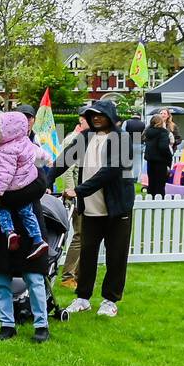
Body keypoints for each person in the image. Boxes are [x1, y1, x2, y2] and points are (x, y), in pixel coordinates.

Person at [50, 99, 135, 318]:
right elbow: (63, 161)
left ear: (110, 116)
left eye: (100, 114)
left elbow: (111, 171)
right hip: (90, 210)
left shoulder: (121, 139)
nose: (96, 117)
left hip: (118, 209)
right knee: (87, 254)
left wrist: (79, 190)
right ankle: (83, 298)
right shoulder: (85, 137)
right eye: (92, 114)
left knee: (116, 256)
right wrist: (44, 181)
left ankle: (110, 300)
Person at [0, 133, 51, 343]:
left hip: (28, 228)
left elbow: (38, 187)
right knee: (0, 277)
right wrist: (1, 171)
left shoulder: (31, 161)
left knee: (34, 277)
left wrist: (3, 195)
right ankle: (7, 325)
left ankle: (41, 325)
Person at [0, 111, 49, 259]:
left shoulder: (4, 150)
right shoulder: (26, 141)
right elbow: (39, 153)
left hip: (11, 187)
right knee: (27, 213)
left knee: (0, 209)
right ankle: (38, 239)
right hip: (27, 184)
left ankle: (10, 232)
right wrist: (47, 159)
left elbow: (5, 173)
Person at [56, 114, 88, 288]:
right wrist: (73, 193)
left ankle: (76, 275)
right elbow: (68, 170)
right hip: (77, 194)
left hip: (83, 193)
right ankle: (68, 276)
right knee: (80, 235)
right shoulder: (74, 139)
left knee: (84, 236)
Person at [142, 113, 174, 197]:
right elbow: (163, 147)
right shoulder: (163, 132)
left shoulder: (148, 132)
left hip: (150, 160)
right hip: (161, 161)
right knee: (160, 183)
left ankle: (151, 198)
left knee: (151, 182)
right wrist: (169, 158)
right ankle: (159, 199)